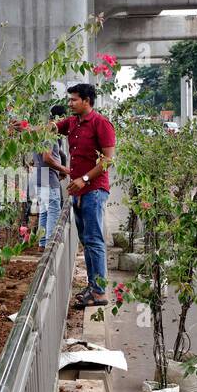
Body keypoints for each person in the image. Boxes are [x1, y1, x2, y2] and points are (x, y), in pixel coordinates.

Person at [55, 83, 116, 309]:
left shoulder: (101, 124)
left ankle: (99, 293)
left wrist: (85, 179)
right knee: (86, 241)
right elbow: (48, 130)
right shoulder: (72, 122)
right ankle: (93, 286)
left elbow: (108, 160)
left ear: (87, 101)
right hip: (79, 191)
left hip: (94, 190)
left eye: (74, 100)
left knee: (94, 240)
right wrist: (23, 128)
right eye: (70, 100)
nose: (70, 103)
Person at [35, 104, 70, 248]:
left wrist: (61, 163)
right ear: (59, 118)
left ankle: (42, 244)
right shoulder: (50, 133)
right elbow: (47, 157)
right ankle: (50, 246)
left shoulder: (40, 132)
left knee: (44, 212)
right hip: (49, 178)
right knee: (53, 212)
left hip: (40, 176)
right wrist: (65, 169)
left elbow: (55, 153)